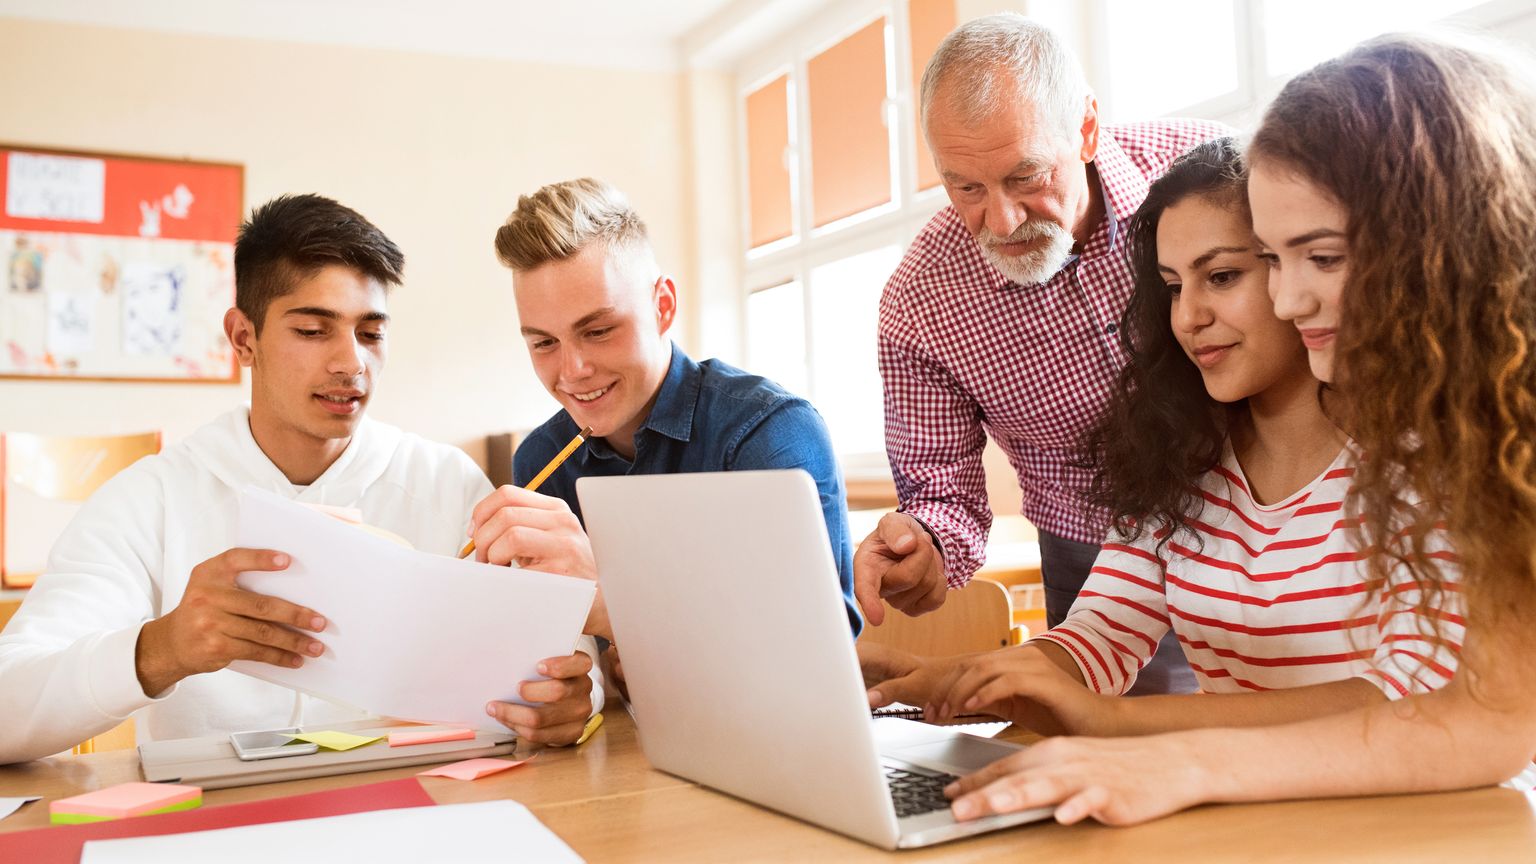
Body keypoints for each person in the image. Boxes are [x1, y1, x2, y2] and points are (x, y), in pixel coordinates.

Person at [941, 33, 1536, 826]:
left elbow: (1459, 715)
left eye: (1320, 257)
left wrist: (1142, 739)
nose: (1289, 303)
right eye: (1278, 262)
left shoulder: (1469, 438)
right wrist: (972, 689)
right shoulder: (1469, 421)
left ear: (1440, 248)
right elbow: (1486, 717)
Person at [861, 137, 1461, 736]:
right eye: (1174, 286)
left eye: (1222, 276)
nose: (1188, 317)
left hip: (1421, 818)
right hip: (1254, 809)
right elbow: (1100, 637)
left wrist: (1117, 720)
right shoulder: (1180, 458)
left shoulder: (1430, 457)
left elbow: (1417, 690)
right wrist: (932, 679)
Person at [0, 194, 599, 763]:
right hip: (221, 825)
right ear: (243, 338)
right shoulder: (150, 498)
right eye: (312, 331)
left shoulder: (445, 482)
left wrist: (573, 698)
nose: (350, 363)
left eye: (371, 333)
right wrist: (163, 648)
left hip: (413, 807)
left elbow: (571, 666)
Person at [860, 13, 1225, 694]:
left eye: (1025, 176)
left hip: (1262, 533)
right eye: (965, 187)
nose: (1000, 221)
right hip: (1094, 561)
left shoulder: (1215, 182)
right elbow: (939, 487)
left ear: (1086, 128)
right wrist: (926, 549)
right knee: (1111, 764)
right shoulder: (920, 302)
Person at [469, 178, 859, 645]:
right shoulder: (540, 459)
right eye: (544, 343)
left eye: (598, 331)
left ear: (663, 307)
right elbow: (575, 662)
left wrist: (609, 604)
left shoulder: (769, 433)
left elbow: (814, 646)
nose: (572, 371)